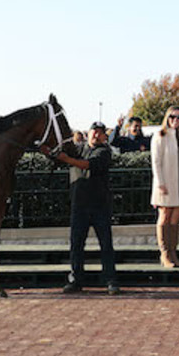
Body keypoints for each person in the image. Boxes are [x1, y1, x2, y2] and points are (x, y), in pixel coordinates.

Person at [56, 122, 120, 295]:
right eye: (94, 131)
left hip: (100, 206)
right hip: (79, 206)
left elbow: (86, 164)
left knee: (105, 245)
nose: (96, 135)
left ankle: (110, 280)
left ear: (104, 136)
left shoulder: (105, 152)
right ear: (88, 132)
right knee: (76, 245)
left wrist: (65, 159)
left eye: (100, 132)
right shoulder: (77, 149)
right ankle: (76, 280)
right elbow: (59, 150)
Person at [150, 105, 179, 268]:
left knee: (175, 219)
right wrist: (160, 183)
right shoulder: (160, 135)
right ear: (167, 117)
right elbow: (156, 161)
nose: (176, 120)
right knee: (164, 217)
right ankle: (164, 254)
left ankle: (173, 252)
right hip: (164, 183)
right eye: (172, 116)